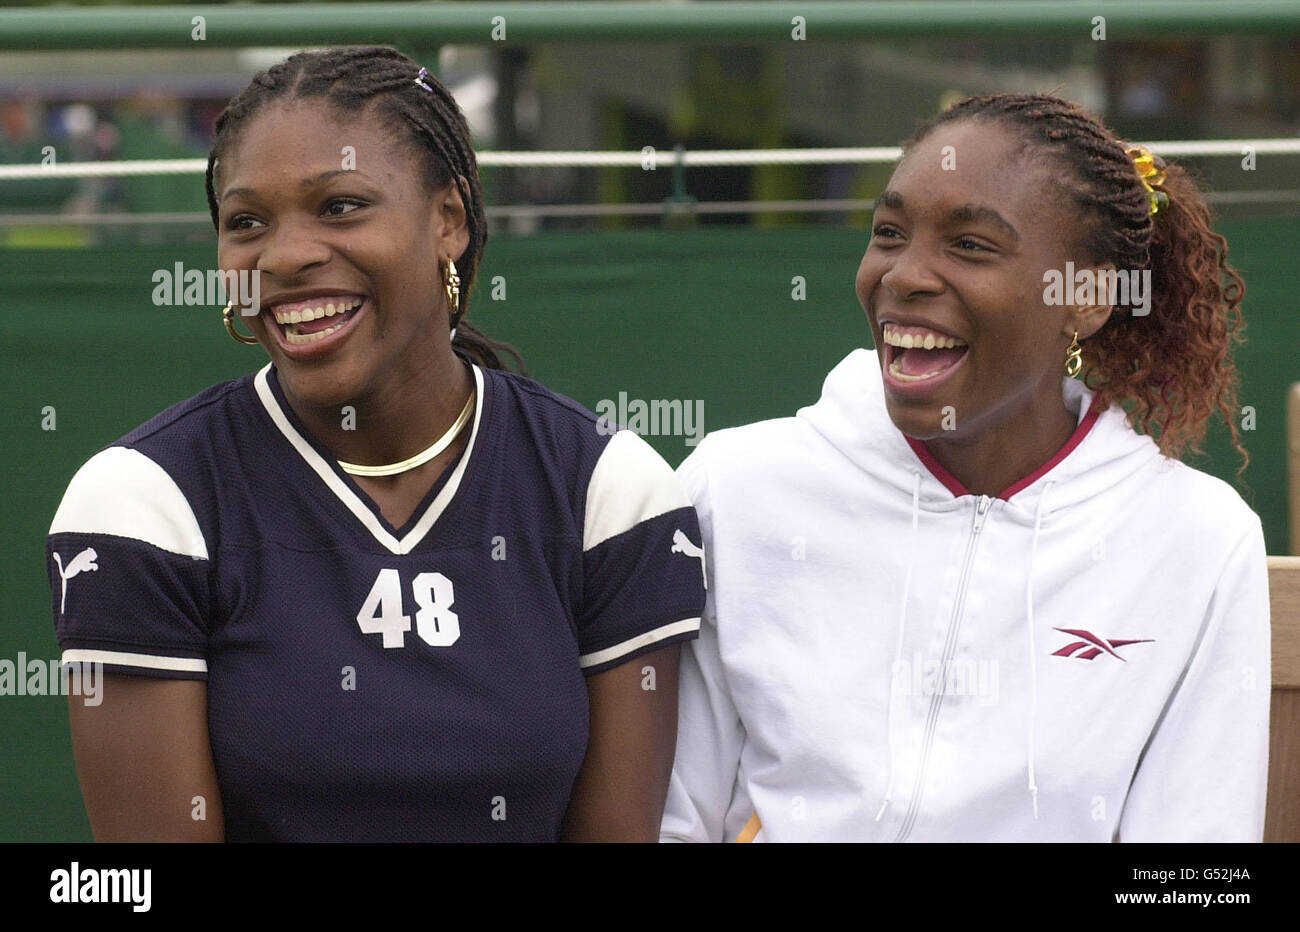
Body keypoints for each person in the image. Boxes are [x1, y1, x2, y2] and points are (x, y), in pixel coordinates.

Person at [47, 47, 706, 842]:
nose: (284, 257)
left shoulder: (609, 491)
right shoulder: (144, 503)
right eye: (246, 223)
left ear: (448, 221)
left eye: (341, 206)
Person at [660, 93, 1270, 843]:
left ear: (1086, 298)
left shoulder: (1199, 542)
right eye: (888, 233)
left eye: (971, 246)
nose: (903, 276)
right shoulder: (736, 486)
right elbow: (671, 818)